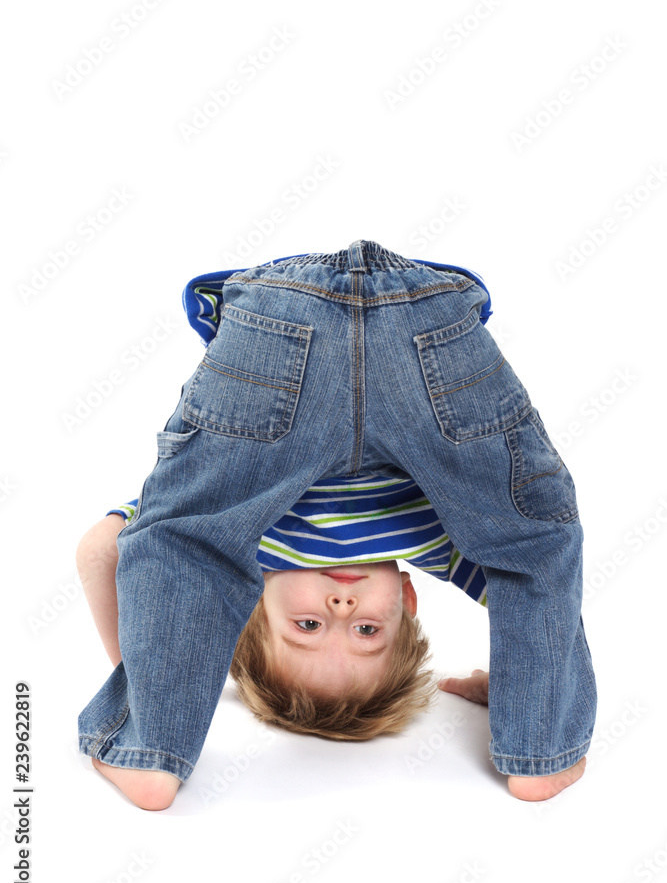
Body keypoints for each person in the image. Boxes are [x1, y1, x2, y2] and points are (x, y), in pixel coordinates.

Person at [77, 239, 596, 809]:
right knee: (530, 546)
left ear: (245, 605)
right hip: (426, 337)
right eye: (368, 633)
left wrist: (156, 678)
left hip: (281, 338)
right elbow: (535, 595)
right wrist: (525, 686)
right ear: (405, 600)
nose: (341, 613)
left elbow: (105, 550)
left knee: (182, 546)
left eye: (306, 626)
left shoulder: (246, 549)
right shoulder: (439, 546)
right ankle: (538, 751)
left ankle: (154, 749)